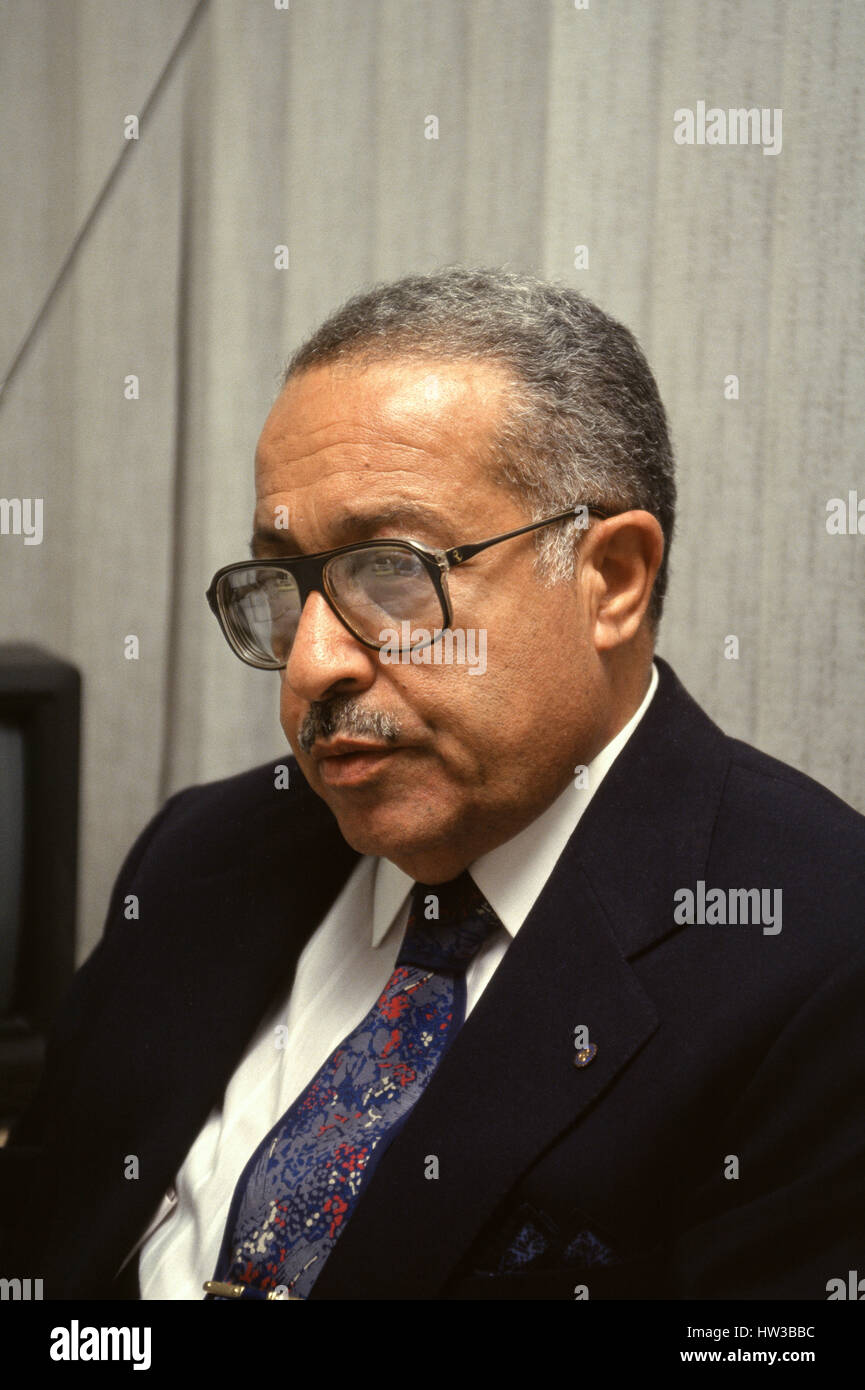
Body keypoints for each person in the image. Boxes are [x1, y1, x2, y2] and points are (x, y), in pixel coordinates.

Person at [2, 268, 863, 1301]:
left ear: (612, 581)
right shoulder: (200, 853)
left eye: (391, 570)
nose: (313, 663)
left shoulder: (817, 958)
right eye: (284, 581)